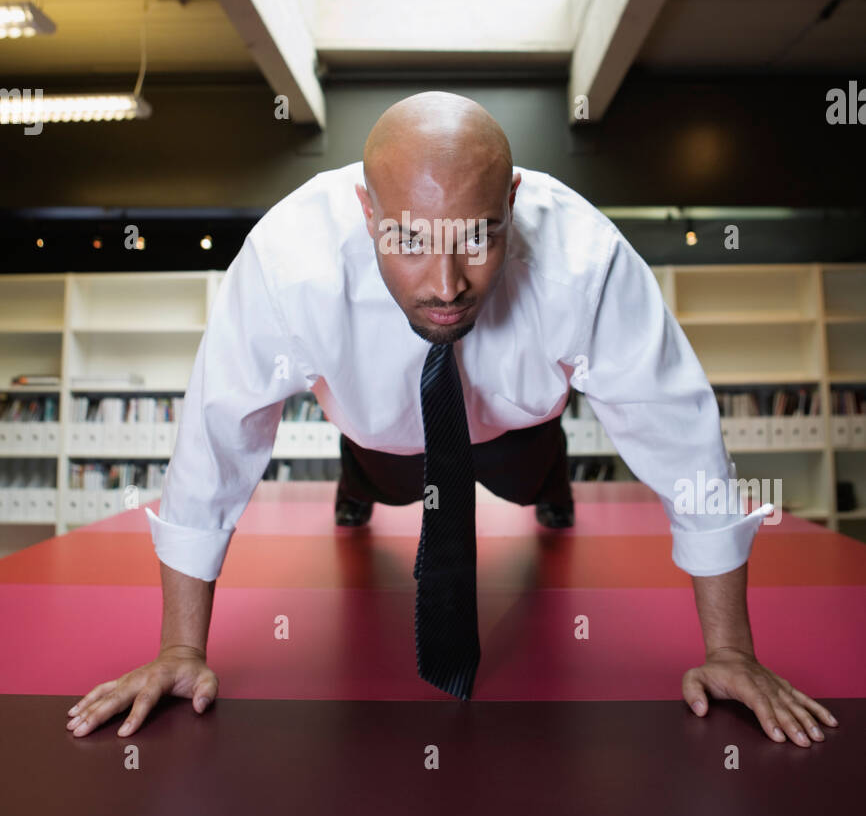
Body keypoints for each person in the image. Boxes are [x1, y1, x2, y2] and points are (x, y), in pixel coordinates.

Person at [66, 92, 837, 741]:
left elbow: (684, 438)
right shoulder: (287, 265)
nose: (446, 285)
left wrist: (730, 651)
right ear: (367, 211)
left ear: (513, 202)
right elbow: (214, 442)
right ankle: (355, 480)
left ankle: (553, 476)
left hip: (517, 430)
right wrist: (179, 646)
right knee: (374, 469)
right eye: (407, 241)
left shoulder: (583, 261)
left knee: (537, 475)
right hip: (377, 434)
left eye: (478, 238)